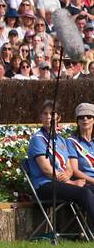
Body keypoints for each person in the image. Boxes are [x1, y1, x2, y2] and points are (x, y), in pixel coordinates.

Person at [26, 100, 94, 234]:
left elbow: (68, 167)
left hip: (61, 184)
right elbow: (46, 170)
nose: (48, 117)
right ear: (41, 117)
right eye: (44, 114)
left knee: (91, 189)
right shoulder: (37, 139)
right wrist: (71, 182)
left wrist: (69, 176)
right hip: (45, 185)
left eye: (52, 114)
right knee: (85, 192)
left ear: (59, 118)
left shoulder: (61, 140)